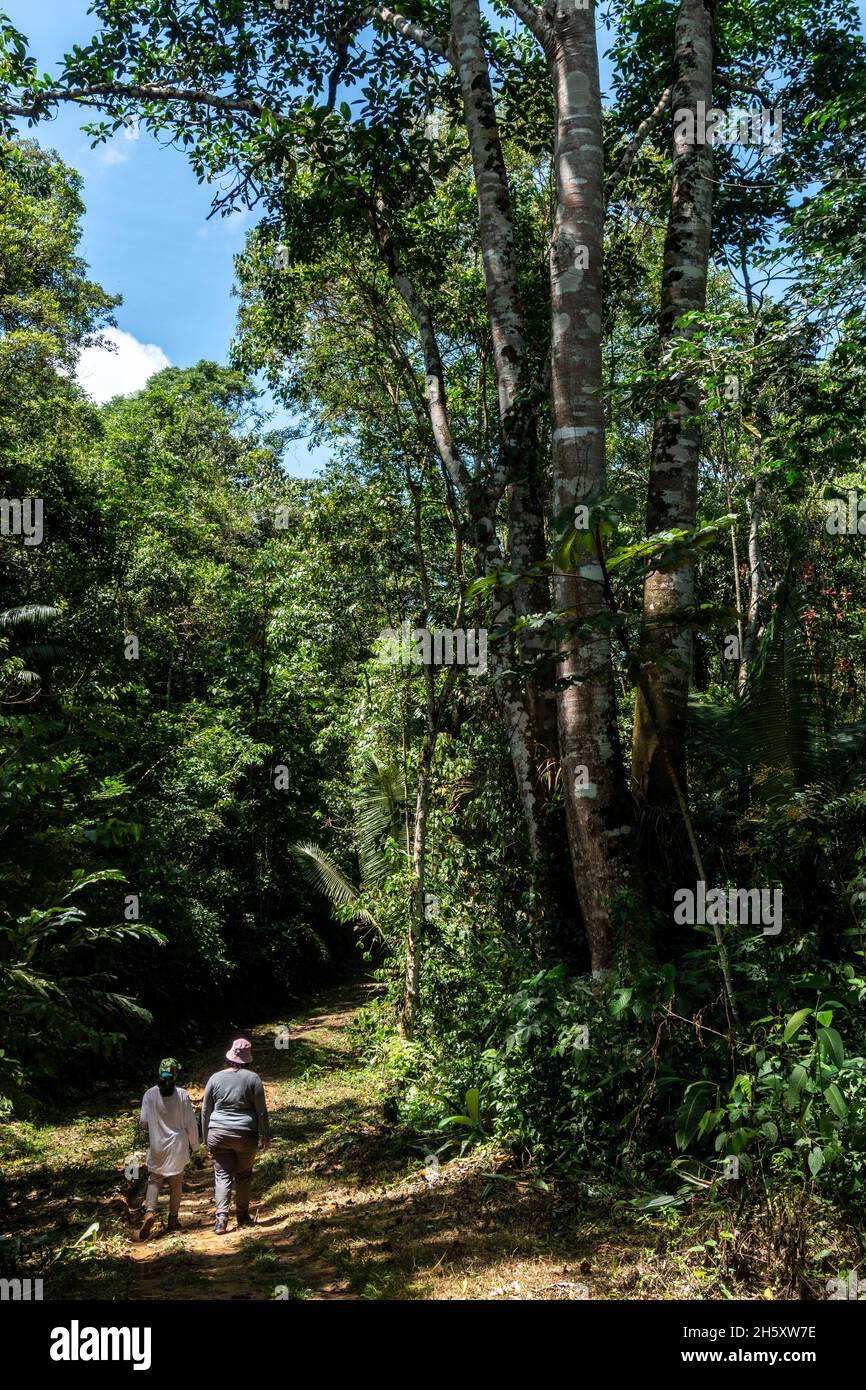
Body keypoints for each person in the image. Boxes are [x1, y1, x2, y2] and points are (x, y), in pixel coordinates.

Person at [201, 1038, 270, 1234]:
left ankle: (221, 1219)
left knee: (222, 1174)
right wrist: (265, 1135)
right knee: (243, 1175)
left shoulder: (215, 1078)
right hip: (246, 1135)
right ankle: (242, 1216)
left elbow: (205, 1110)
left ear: (230, 1056)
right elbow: (261, 1111)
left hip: (218, 1133)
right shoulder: (253, 1079)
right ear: (248, 1059)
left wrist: (206, 1137)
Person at [138, 1057, 199, 1241]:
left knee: (155, 1179)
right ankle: (173, 1219)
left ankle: (149, 1212)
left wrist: (157, 1127)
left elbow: (143, 1122)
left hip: (157, 1144)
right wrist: (195, 1145)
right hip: (178, 1146)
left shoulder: (149, 1094)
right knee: (176, 1182)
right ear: (175, 1074)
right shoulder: (181, 1094)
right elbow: (190, 1123)